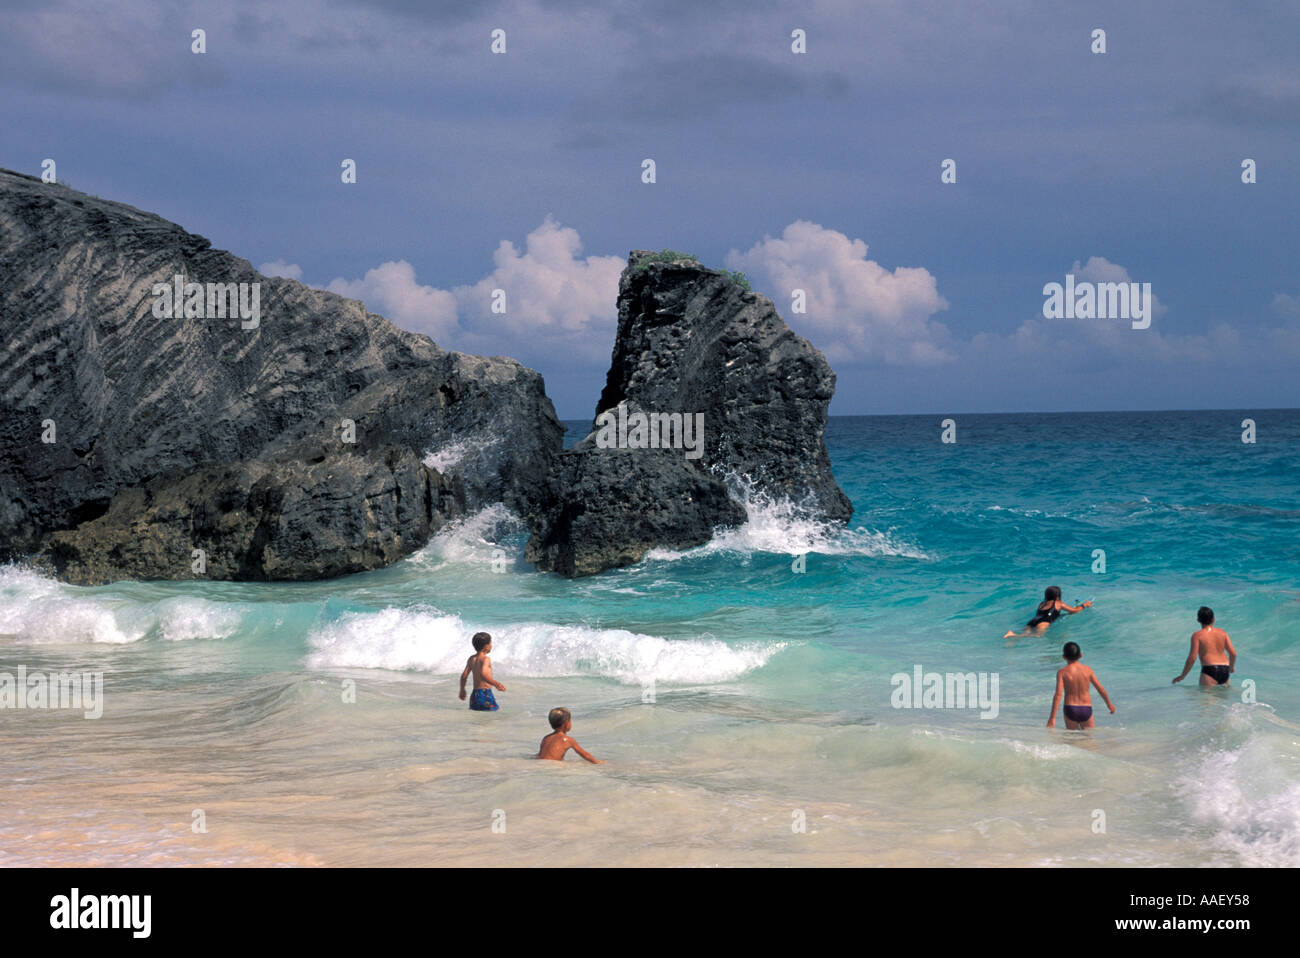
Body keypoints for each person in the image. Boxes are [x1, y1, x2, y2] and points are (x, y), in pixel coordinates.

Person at [1047, 641, 1115, 729]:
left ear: (1064, 657)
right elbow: (1100, 689)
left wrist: (1052, 718)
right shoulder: (1088, 670)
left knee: (1071, 739)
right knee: (1088, 740)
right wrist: (1109, 704)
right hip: (1086, 709)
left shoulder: (1062, 672)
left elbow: (1058, 694)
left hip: (1070, 708)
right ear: (1080, 655)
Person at [1172, 607, 1237, 687]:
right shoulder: (1223, 633)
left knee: (1206, 699)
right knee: (1223, 699)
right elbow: (1233, 653)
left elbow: (1192, 658)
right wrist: (1231, 667)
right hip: (1225, 669)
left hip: (1209, 670)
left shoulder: (1197, 635)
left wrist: (1183, 676)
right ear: (1213, 619)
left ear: (1198, 620)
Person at [1004, 586, 1091, 638]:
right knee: (1036, 637)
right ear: (1058, 595)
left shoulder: (1042, 603)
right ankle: (1012, 635)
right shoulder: (1058, 603)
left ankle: (1013, 636)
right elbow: (1075, 610)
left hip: (1032, 621)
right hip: (1043, 623)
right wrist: (1084, 605)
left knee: (1024, 634)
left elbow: (1049, 614)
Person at [536, 707, 604, 763]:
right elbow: (585, 755)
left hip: (540, 763)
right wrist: (597, 762)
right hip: (553, 766)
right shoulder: (568, 740)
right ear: (566, 724)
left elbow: (541, 755)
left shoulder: (546, 738)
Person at [459, 631, 506, 711]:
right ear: (486, 646)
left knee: (478, 718)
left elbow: (464, 676)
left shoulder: (471, 659)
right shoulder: (486, 659)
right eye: (491, 643)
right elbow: (483, 674)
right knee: (491, 715)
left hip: (474, 695)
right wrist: (496, 684)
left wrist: (462, 690)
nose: (491, 645)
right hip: (485, 693)